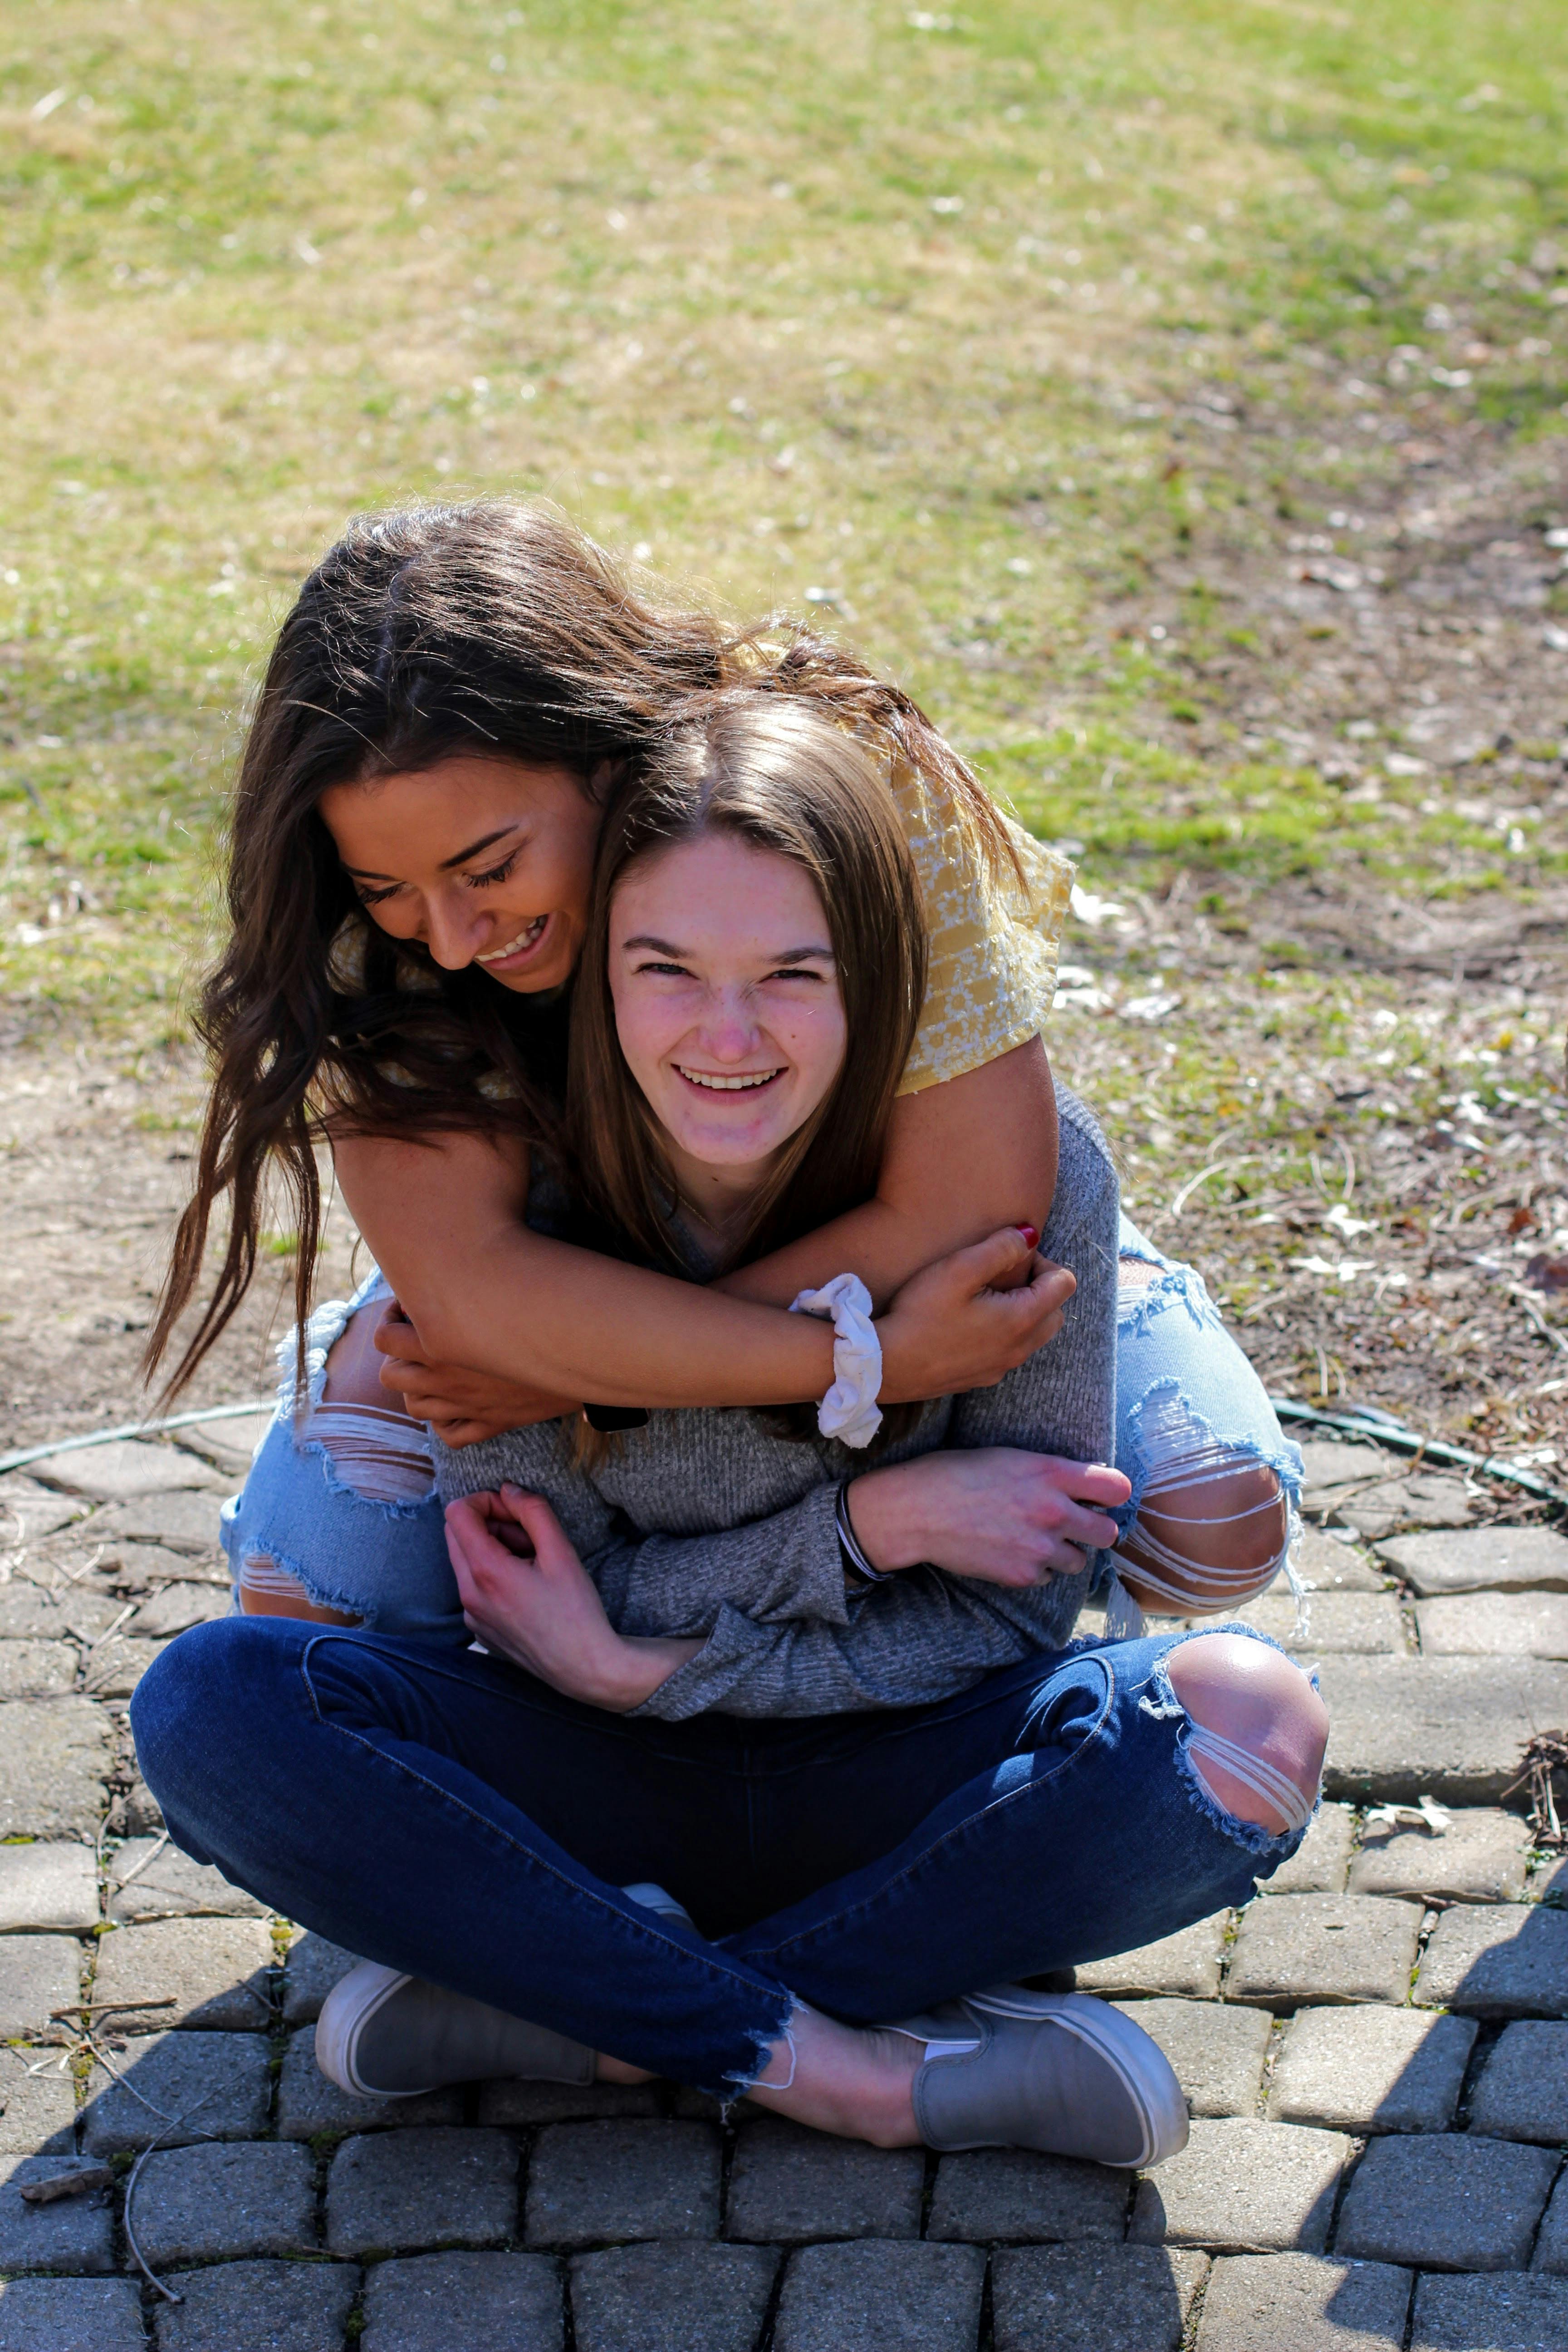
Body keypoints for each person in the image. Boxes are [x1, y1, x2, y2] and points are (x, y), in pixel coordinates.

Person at [131, 693, 1328, 2163]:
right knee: (214, 1699)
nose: (727, 1033)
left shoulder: (1013, 1169)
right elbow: (527, 1596)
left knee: (1246, 1724)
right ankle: (858, 2068)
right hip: (593, 1773)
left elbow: (1009, 1614)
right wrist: (870, 1523)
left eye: (792, 973)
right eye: (665, 970)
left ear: (874, 980)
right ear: (598, 984)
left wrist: (645, 1662)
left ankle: (583, 2011)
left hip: (910, 1771)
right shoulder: (522, 1216)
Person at [147, 499, 1299, 1639]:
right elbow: (480, 1295)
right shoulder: (346, 921)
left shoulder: (849, 773)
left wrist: (583, 1374)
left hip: (868, 1212)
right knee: (313, 1587)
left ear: (604, 755)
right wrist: (864, 1360)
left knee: (1216, 1523)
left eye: (488, 866)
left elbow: (971, 1204)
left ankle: (1115, 1288)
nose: (448, 939)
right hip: (580, 1251)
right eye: (393, 892)